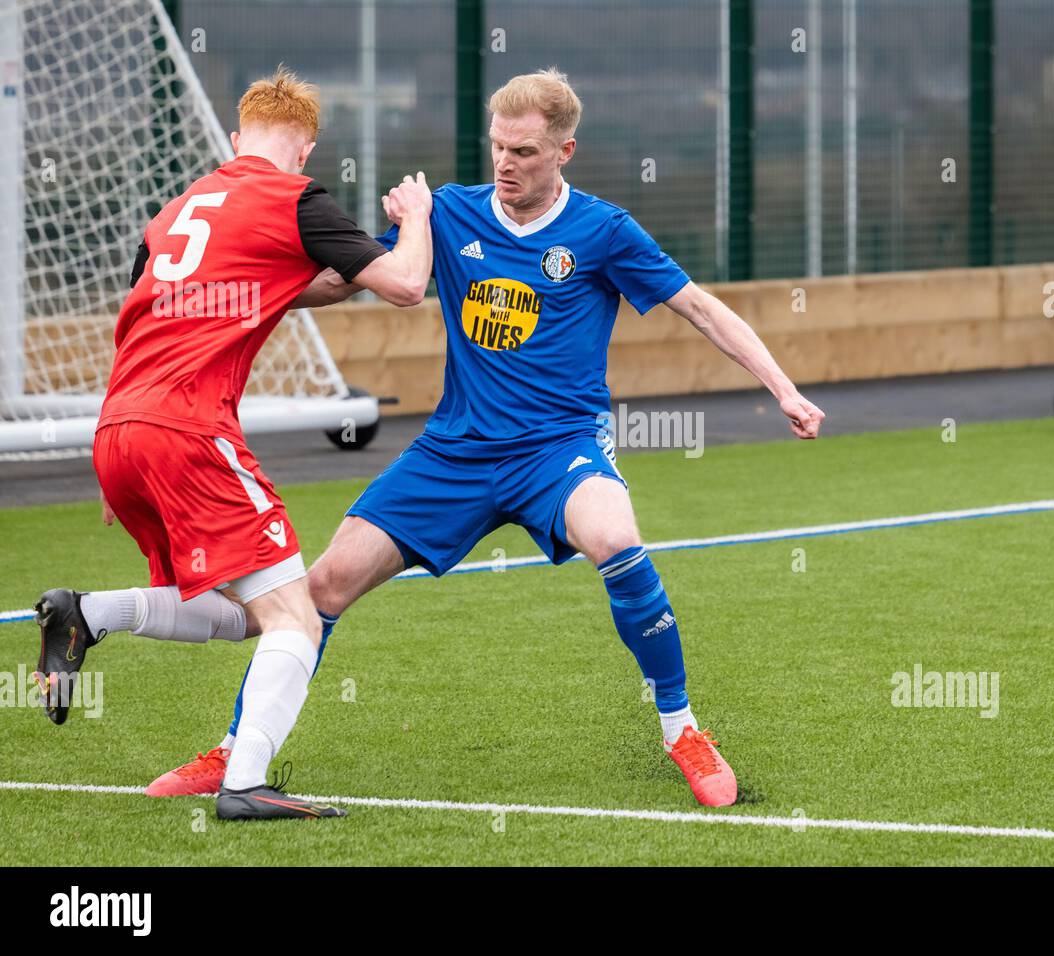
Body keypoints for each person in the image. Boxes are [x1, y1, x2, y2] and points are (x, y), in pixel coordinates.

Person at [81, 68, 824, 809]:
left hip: (555, 448)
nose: (506, 162)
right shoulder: (448, 213)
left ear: (566, 150)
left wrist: (783, 388)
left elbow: (700, 308)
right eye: (498, 146)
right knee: (322, 588)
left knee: (619, 541)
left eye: (526, 151)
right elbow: (345, 281)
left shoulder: (603, 230)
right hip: (453, 453)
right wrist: (222, 285)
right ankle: (240, 750)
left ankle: (682, 728)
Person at [33, 67, 433, 821]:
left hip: (119, 430)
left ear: (233, 136)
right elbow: (408, 285)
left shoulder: (175, 214)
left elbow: (177, 308)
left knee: (247, 610)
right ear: (307, 150)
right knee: (298, 617)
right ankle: (245, 785)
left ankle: (87, 614)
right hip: (187, 431)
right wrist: (416, 215)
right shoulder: (295, 199)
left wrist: (121, 456)